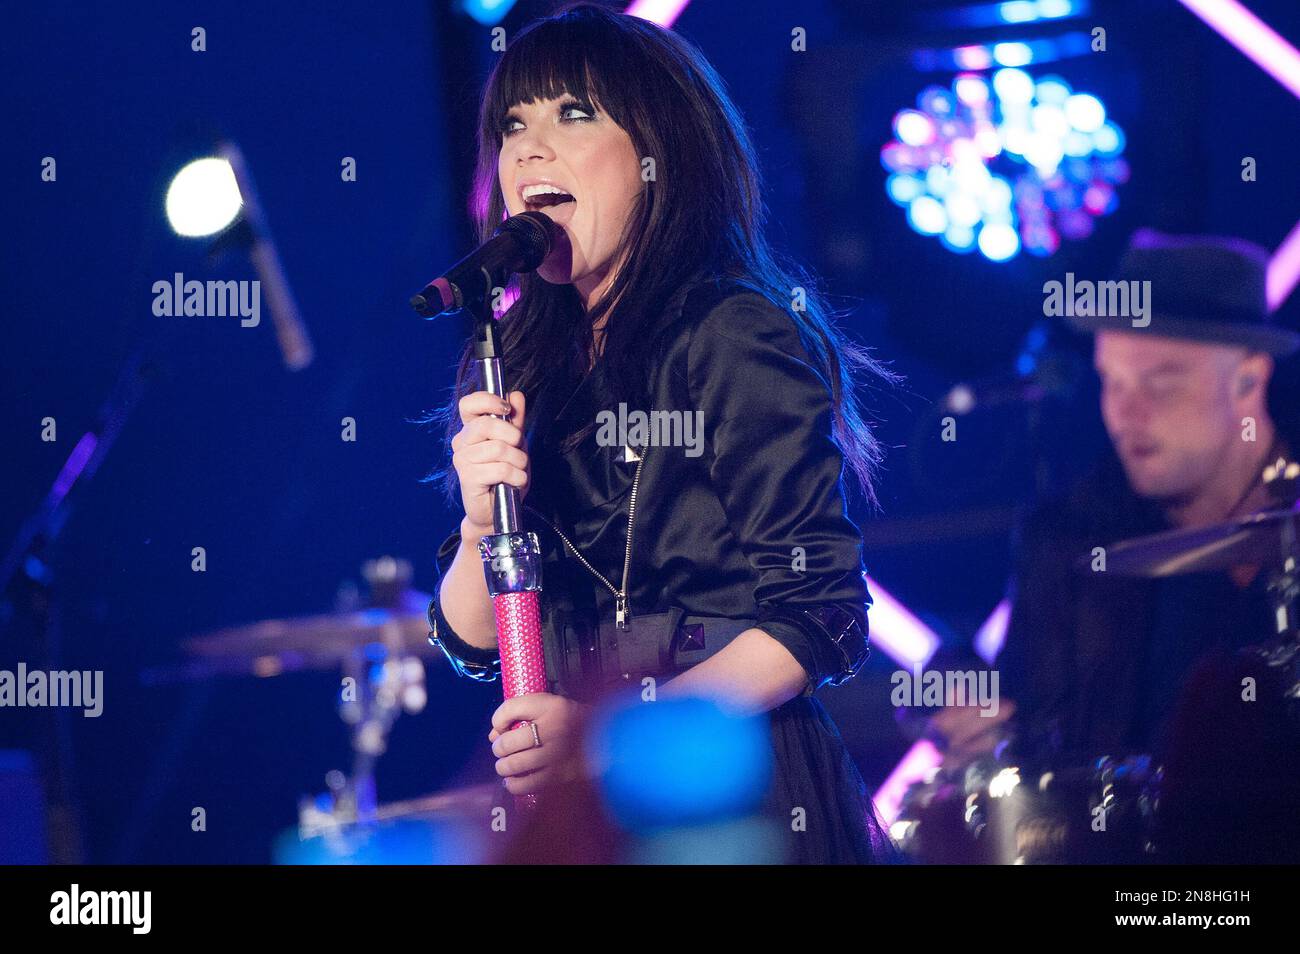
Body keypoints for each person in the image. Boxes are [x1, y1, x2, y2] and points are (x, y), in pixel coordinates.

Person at [426, 4, 895, 863]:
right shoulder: (527, 360)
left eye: (574, 113)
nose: (530, 148)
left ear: (658, 156)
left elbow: (820, 617)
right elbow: (465, 641)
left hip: (729, 800)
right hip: (593, 816)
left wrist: (613, 736)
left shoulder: (731, 332)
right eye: (513, 125)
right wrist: (478, 527)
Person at [958, 230, 1299, 861]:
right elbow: (1026, 715)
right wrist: (962, 705)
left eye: (1161, 381)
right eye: (1112, 381)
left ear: (1249, 380)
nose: (1125, 412)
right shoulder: (1071, 534)